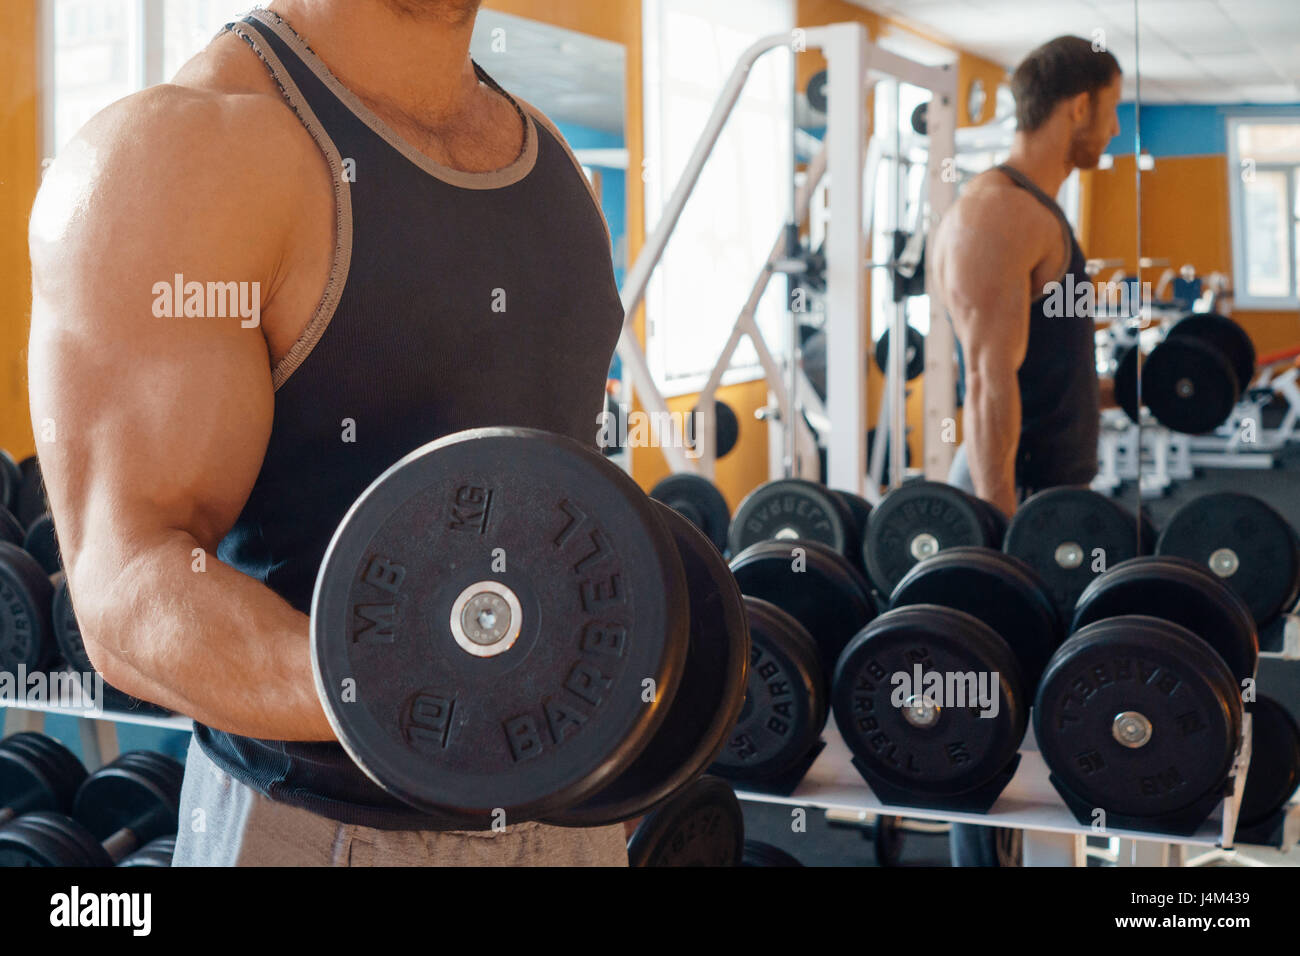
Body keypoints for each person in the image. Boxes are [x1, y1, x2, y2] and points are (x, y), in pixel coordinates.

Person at [28, 0, 626, 866]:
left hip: (576, 810)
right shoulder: (178, 153)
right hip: (327, 826)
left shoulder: (551, 161)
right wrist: (440, 701)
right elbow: (128, 589)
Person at [929, 35, 1123, 865]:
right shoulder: (1001, 209)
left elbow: (1043, 371)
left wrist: (1119, 392)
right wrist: (1002, 534)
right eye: (1110, 110)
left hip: (1049, 501)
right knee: (991, 726)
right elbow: (987, 380)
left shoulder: (1035, 209)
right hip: (1018, 509)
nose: (1112, 130)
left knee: (1044, 719)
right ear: (1078, 105)